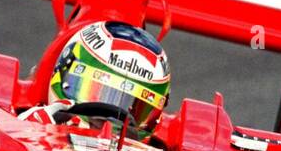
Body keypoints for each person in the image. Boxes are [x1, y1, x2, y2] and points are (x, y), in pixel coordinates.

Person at [19, 21, 170, 134]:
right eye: (94, 93)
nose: (104, 123)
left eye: (134, 108)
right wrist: (28, 129)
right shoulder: (29, 125)